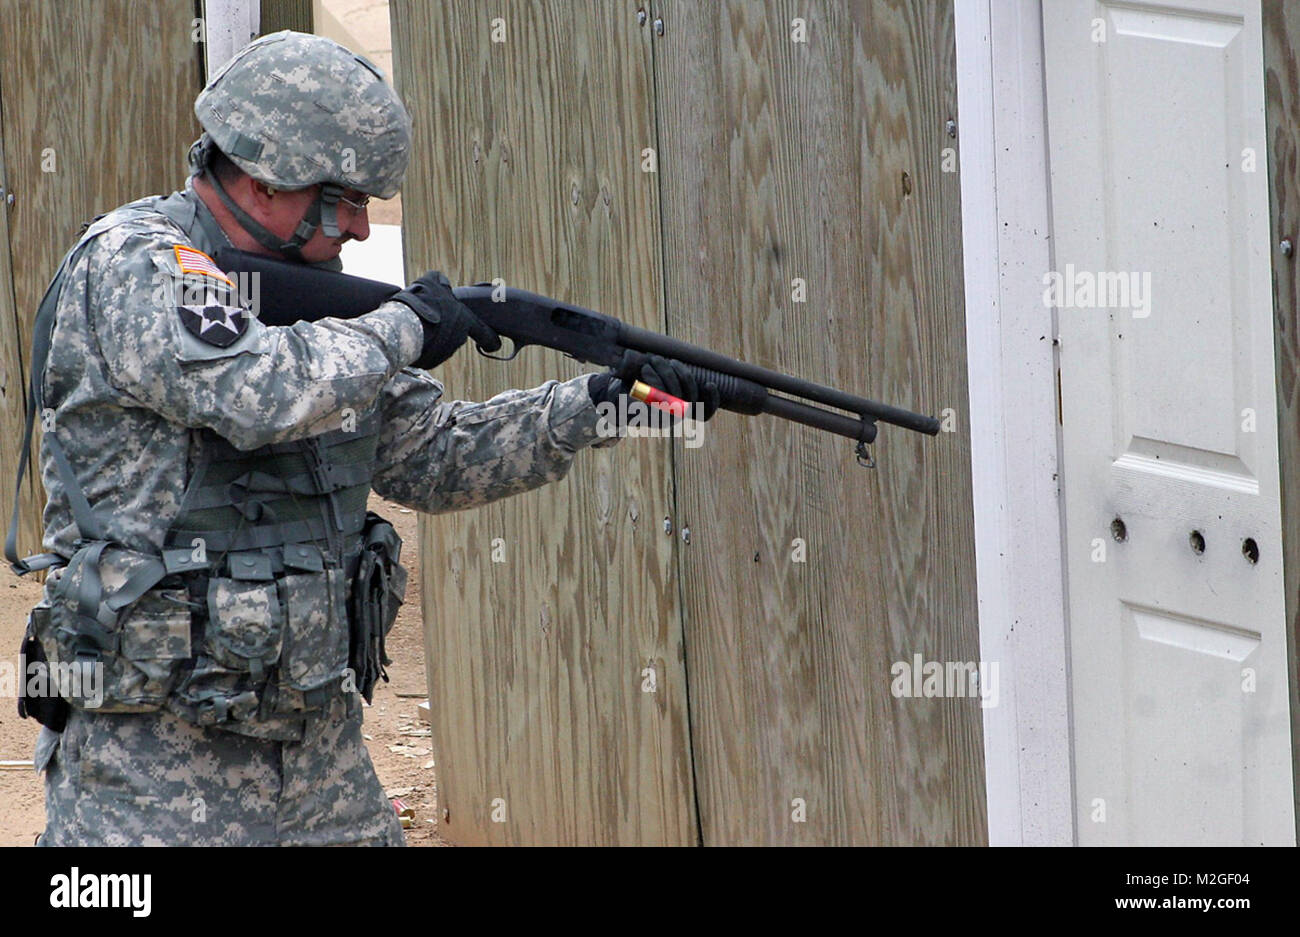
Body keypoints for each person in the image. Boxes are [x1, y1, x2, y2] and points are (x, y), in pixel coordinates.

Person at [13, 30, 717, 846]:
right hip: (149, 763)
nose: (356, 227)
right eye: (342, 199)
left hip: (317, 753)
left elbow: (437, 456)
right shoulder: (136, 263)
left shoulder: (330, 310)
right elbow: (261, 390)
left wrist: (610, 402)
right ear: (262, 172)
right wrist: (403, 326)